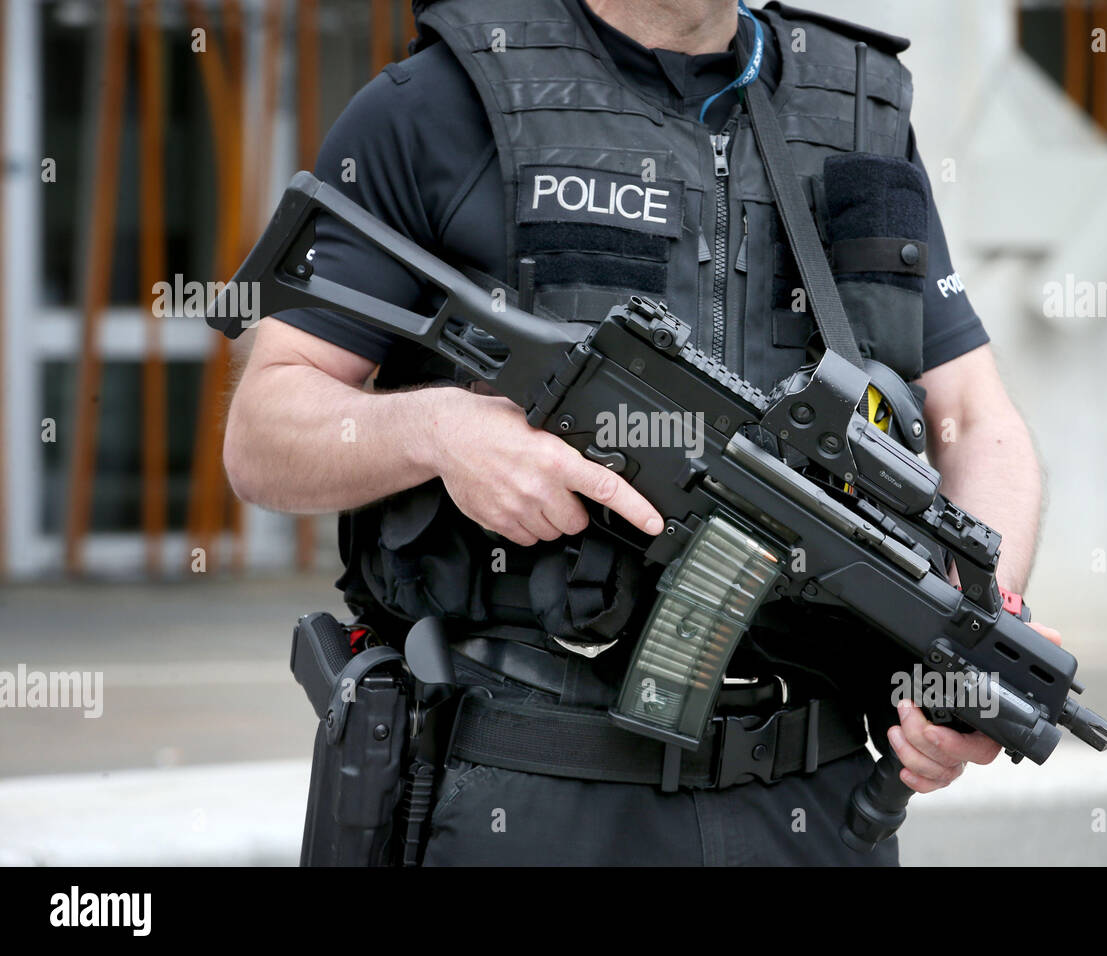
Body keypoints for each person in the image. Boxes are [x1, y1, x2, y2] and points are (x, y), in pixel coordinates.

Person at [224, 0, 1062, 866]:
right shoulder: (440, 101)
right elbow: (264, 432)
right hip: (531, 793)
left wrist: (980, 625)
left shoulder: (857, 111)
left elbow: (974, 417)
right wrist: (440, 431)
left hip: (818, 807)